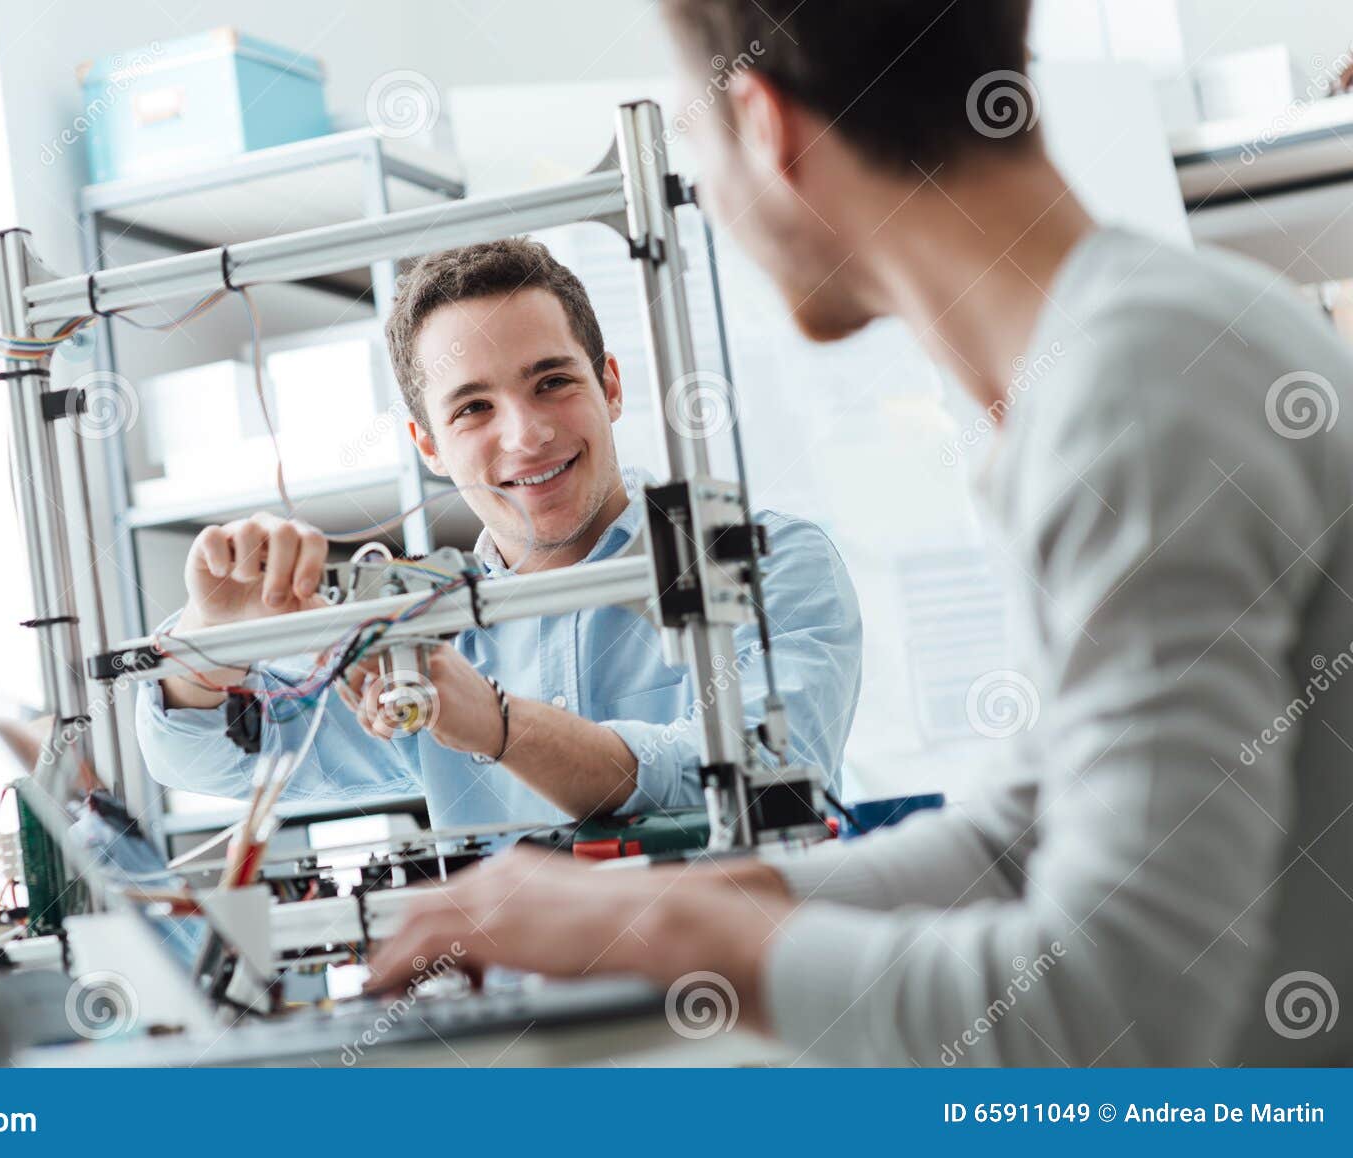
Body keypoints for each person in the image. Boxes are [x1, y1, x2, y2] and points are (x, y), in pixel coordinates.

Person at [368, 0, 1353, 1066]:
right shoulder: (1106, 362)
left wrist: (667, 930)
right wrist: (706, 893)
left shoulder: (1135, 391)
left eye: (694, 147)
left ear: (764, 126)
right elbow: (1016, 836)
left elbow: (1111, 1013)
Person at [137, 238, 863, 830]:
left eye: (552, 382)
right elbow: (208, 760)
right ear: (427, 445)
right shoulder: (423, 637)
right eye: (473, 408)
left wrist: (498, 724)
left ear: (610, 385)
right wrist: (211, 646)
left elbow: (767, 779)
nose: (527, 435)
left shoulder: (763, 561)